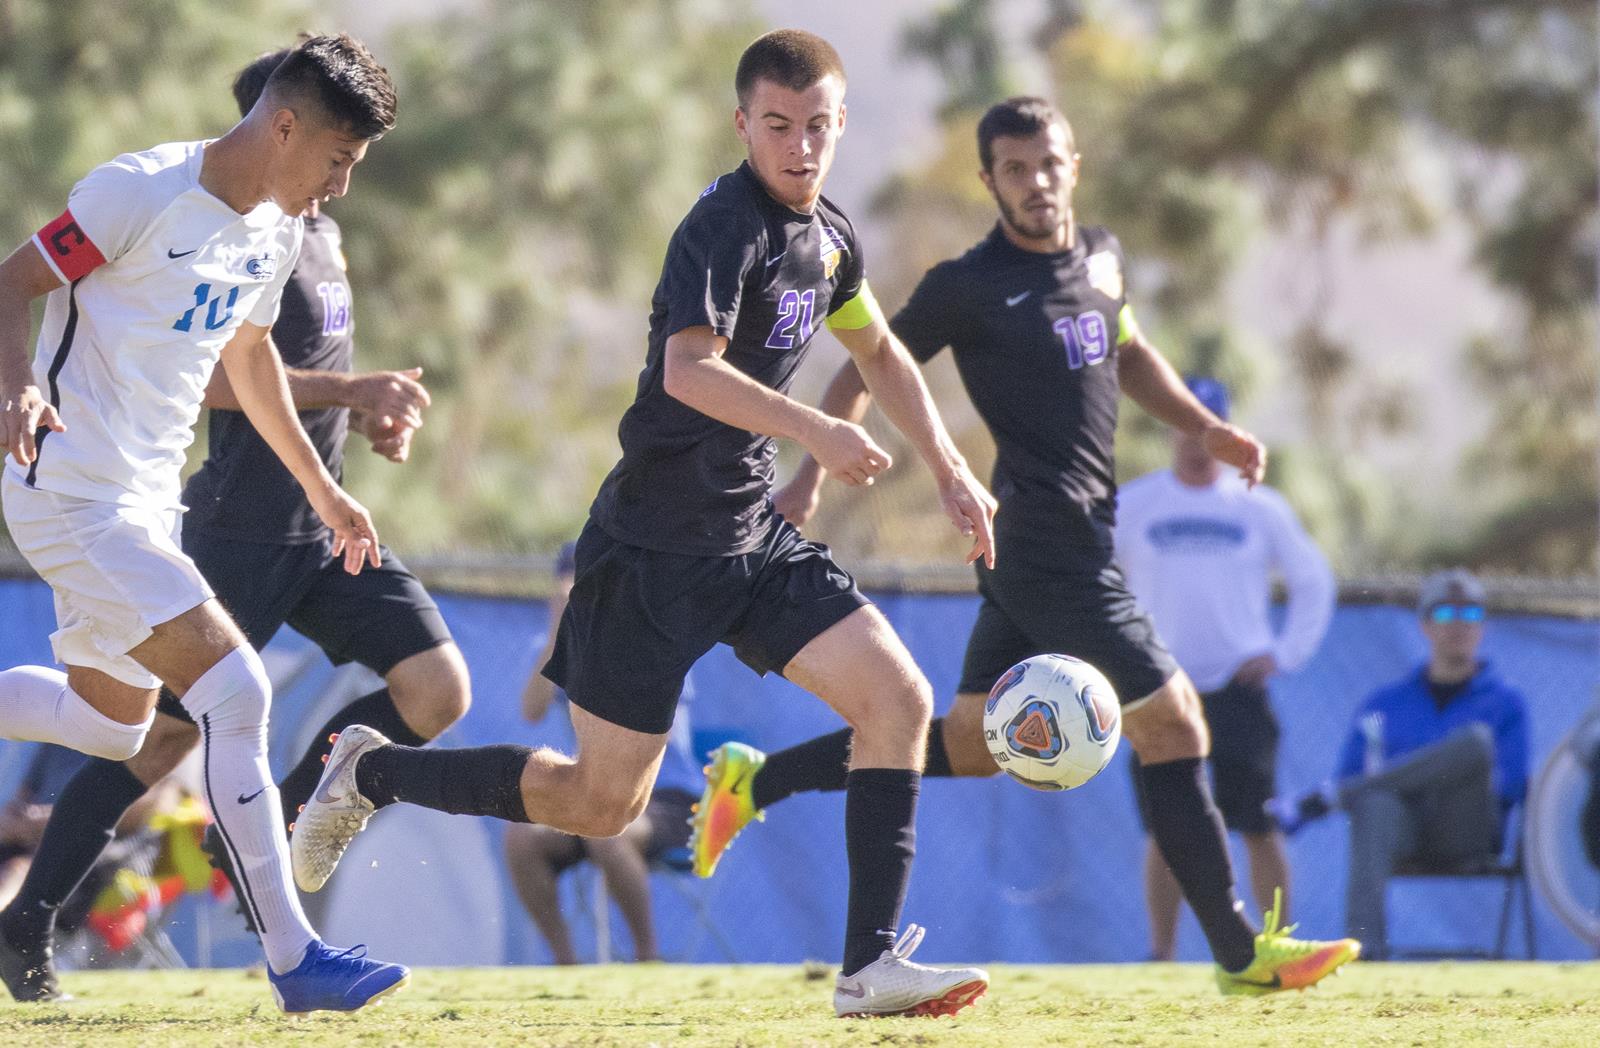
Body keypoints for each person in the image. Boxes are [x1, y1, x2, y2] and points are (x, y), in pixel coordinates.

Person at [290, 29, 997, 1018]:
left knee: (897, 700)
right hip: (653, 548)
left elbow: (878, 353)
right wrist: (817, 433)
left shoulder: (831, 233)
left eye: (819, 126)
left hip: (750, 537)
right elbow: (687, 371)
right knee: (598, 804)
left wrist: (956, 470)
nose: (800, 145)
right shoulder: (722, 227)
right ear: (741, 123)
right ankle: (377, 771)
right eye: (779, 125)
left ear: (840, 126)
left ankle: (868, 966)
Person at [705, 96, 1360, 993]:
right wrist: (815, 465)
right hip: (1049, 542)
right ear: (990, 181)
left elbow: (1127, 354)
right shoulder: (967, 285)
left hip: (1052, 542)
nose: (1037, 182)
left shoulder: (1101, 257)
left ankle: (756, 781)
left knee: (972, 746)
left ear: (1073, 164)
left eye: (1049, 164)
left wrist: (1206, 427)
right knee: (1174, 723)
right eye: (1015, 169)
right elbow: (870, 358)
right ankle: (1240, 952)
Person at [0, 45, 470, 1004]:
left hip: (145, 505)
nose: (341, 185)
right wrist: (14, 383)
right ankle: (296, 960)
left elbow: (251, 364)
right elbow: (12, 284)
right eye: (338, 159)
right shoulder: (139, 192)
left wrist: (326, 489)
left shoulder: (276, 233)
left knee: (108, 724)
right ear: (285, 125)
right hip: (69, 489)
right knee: (237, 693)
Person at [1115, 375, 1335, 959]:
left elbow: (1313, 583)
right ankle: (1161, 955)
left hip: (1238, 690)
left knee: (1258, 824)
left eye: (1207, 429)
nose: (1194, 442)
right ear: (1169, 432)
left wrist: (1282, 654)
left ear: (1228, 435)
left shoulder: (1258, 507)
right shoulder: (1133, 506)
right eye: (1185, 427)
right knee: (1167, 831)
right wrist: (1119, 656)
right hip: (1159, 690)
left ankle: (1277, 945)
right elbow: (1093, 582)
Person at [1267, 568, 1529, 958]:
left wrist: (1440, 772)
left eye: (1471, 614)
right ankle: (1363, 951)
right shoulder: (1384, 705)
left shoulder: (1506, 704)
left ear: (1484, 628)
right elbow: (1354, 772)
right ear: (1425, 625)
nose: (1458, 625)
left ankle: (1326, 799)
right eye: (1445, 614)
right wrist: (1406, 784)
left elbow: (1509, 786)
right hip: (1400, 830)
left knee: (1476, 744)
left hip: (1468, 831)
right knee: (1373, 803)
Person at [505, 543, 700, 964]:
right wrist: (561, 636)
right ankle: (566, 964)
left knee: (609, 835)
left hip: (667, 797)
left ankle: (647, 959)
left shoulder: (653, 635)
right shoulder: (555, 646)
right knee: (522, 840)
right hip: (595, 792)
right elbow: (531, 710)